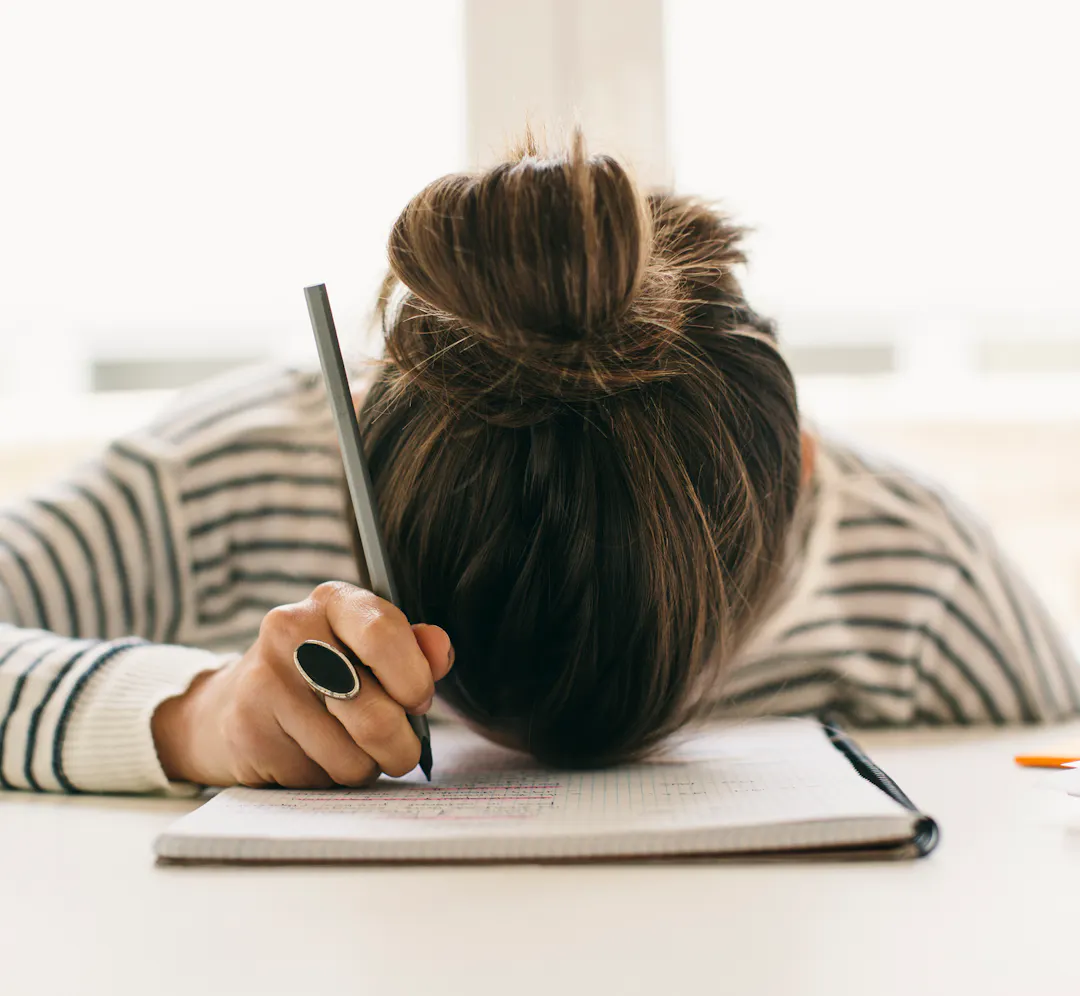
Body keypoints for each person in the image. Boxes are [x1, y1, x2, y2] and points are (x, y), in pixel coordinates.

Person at [0, 132, 1076, 796]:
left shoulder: (917, 580)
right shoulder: (222, 482)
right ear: (360, 455)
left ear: (794, 487)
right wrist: (190, 715)